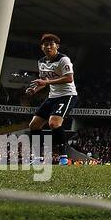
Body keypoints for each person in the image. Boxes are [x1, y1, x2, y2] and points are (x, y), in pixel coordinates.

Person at [26, 33, 77, 165]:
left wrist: (47, 83)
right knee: (34, 125)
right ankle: (37, 158)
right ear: (41, 47)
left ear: (57, 46)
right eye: (45, 45)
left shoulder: (63, 59)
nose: (48, 47)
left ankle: (63, 158)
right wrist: (34, 89)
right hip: (52, 96)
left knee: (54, 123)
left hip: (67, 95)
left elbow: (69, 78)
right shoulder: (41, 61)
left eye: (51, 44)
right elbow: (43, 81)